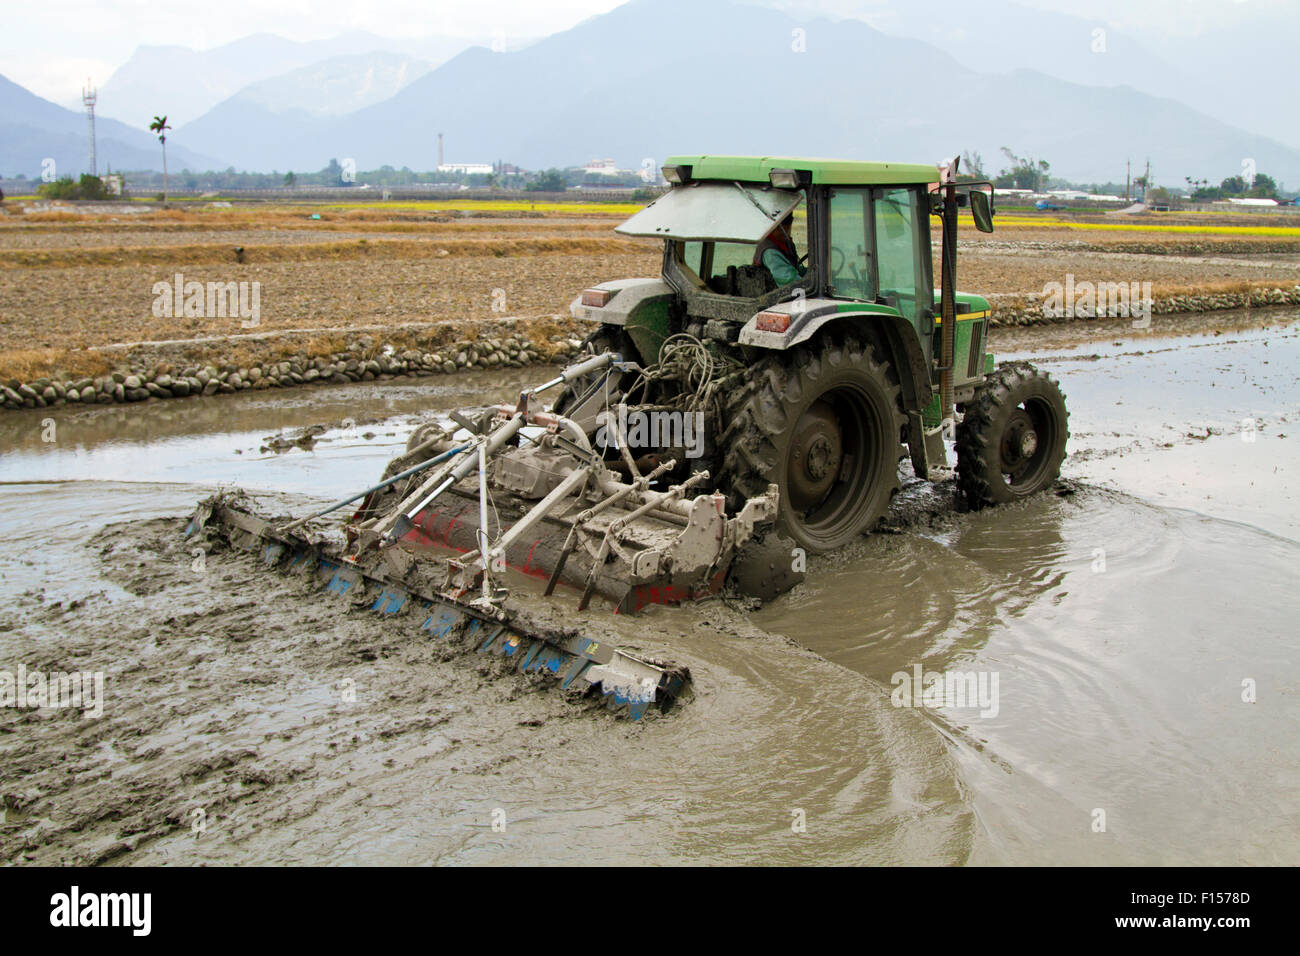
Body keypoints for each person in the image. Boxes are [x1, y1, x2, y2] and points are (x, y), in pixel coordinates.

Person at [753, 211, 805, 285]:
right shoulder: (770, 252)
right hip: (778, 294)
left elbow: (795, 268)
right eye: (782, 229)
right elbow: (788, 280)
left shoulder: (786, 243)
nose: (786, 232)